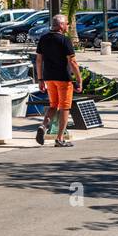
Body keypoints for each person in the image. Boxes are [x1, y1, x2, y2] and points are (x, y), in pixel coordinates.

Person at [34, 14, 81, 147]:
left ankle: (43, 126)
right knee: (65, 107)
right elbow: (72, 61)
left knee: (53, 105)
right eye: (66, 23)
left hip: (49, 77)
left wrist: (40, 79)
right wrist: (79, 80)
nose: (68, 25)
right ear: (61, 25)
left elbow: (38, 60)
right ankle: (59, 139)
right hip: (63, 78)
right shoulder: (64, 40)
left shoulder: (43, 38)